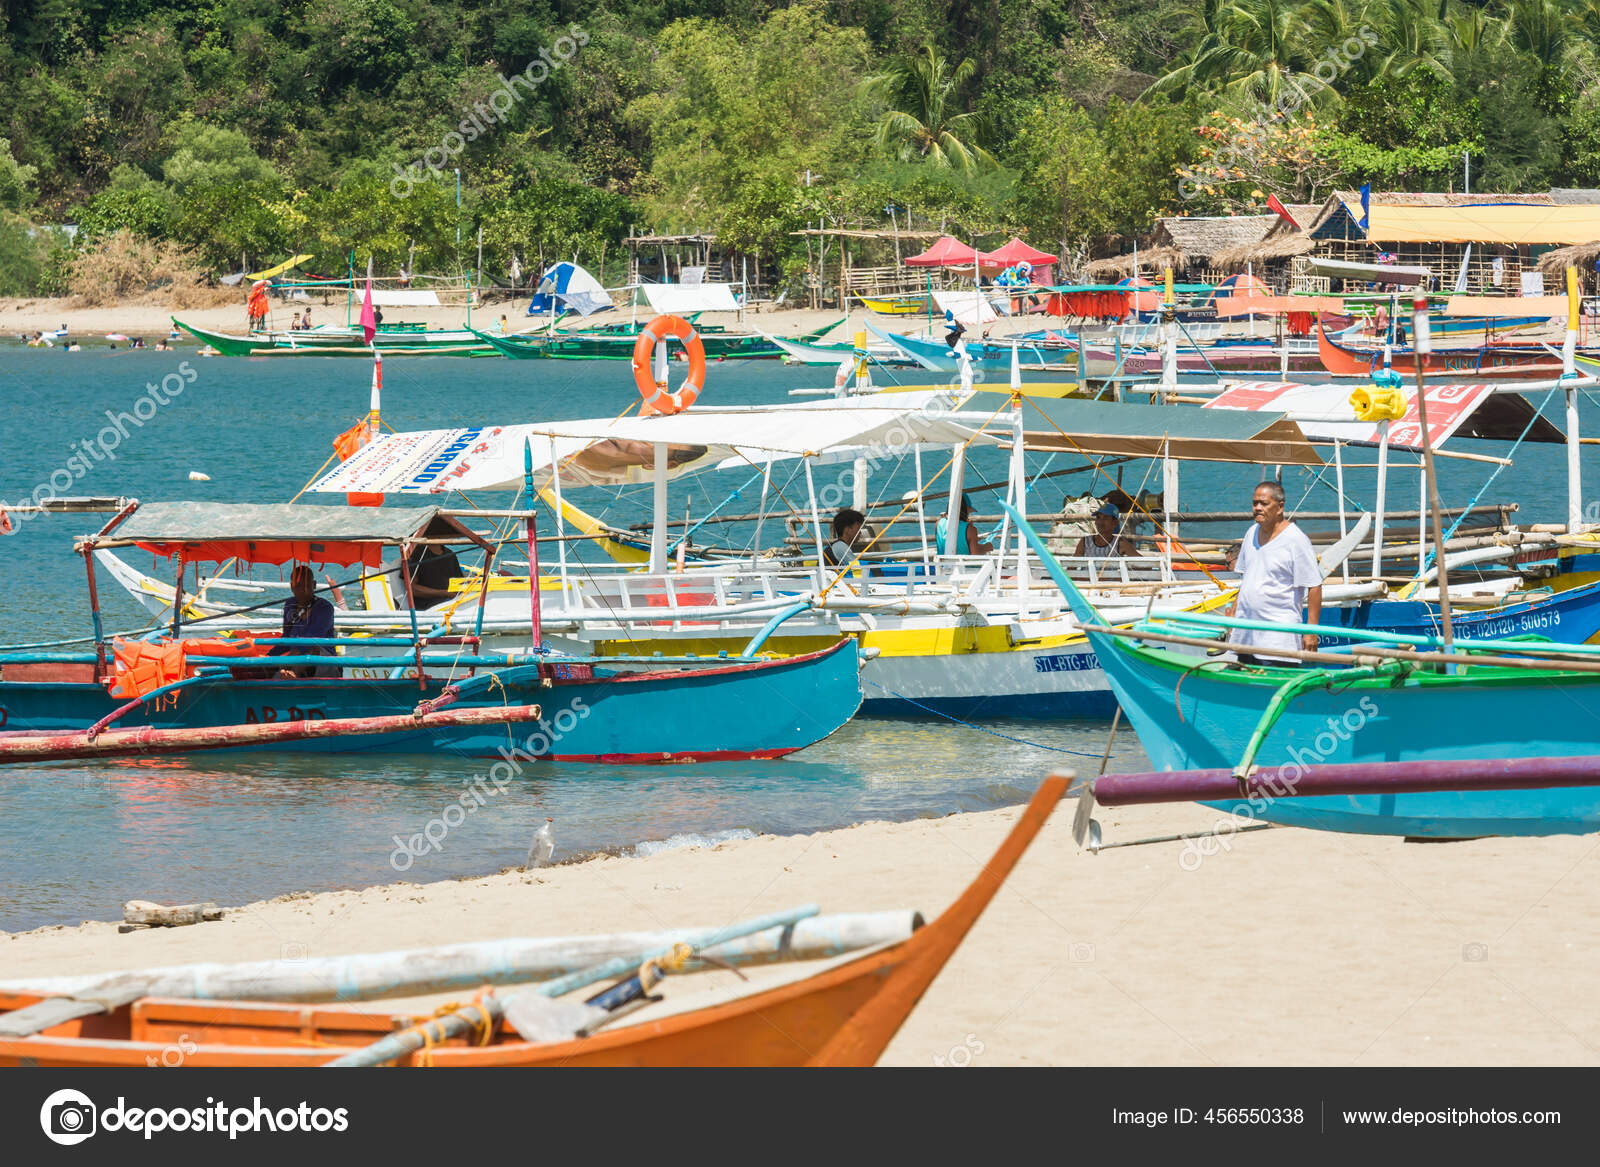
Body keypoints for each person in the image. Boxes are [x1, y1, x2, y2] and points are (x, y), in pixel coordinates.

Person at [1226, 481, 1323, 666]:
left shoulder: (1295, 540)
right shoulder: (1251, 533)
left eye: (1264, 503)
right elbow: (1248, 579)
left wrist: (1311, 630)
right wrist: (1234, 610)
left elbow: (1314, 585)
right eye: (1255, 503)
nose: (1258, 508)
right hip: (1246, 633)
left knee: (1271, 685)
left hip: (1277, 638)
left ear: (1280, 507)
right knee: (1247, 686)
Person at [268, 565, 339, 678]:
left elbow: (312, 640)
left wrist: (288, 661)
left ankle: (294, 673)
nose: (302, 590)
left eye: (306, 585)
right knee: (265, 665)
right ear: (292, 587)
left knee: (312, 648)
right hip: (293, 659)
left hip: (322, 661)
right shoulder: (289, 605)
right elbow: (286, 637)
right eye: (298, 586)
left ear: (314, 585)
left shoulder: (325, 607)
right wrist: (269, 656)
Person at [405, 540, 463, 607]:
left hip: (453, 599)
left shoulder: (450, 554)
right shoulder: (415, 554)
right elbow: (412, 589)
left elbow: (459, 581)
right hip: (430, 605)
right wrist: (445, 593)